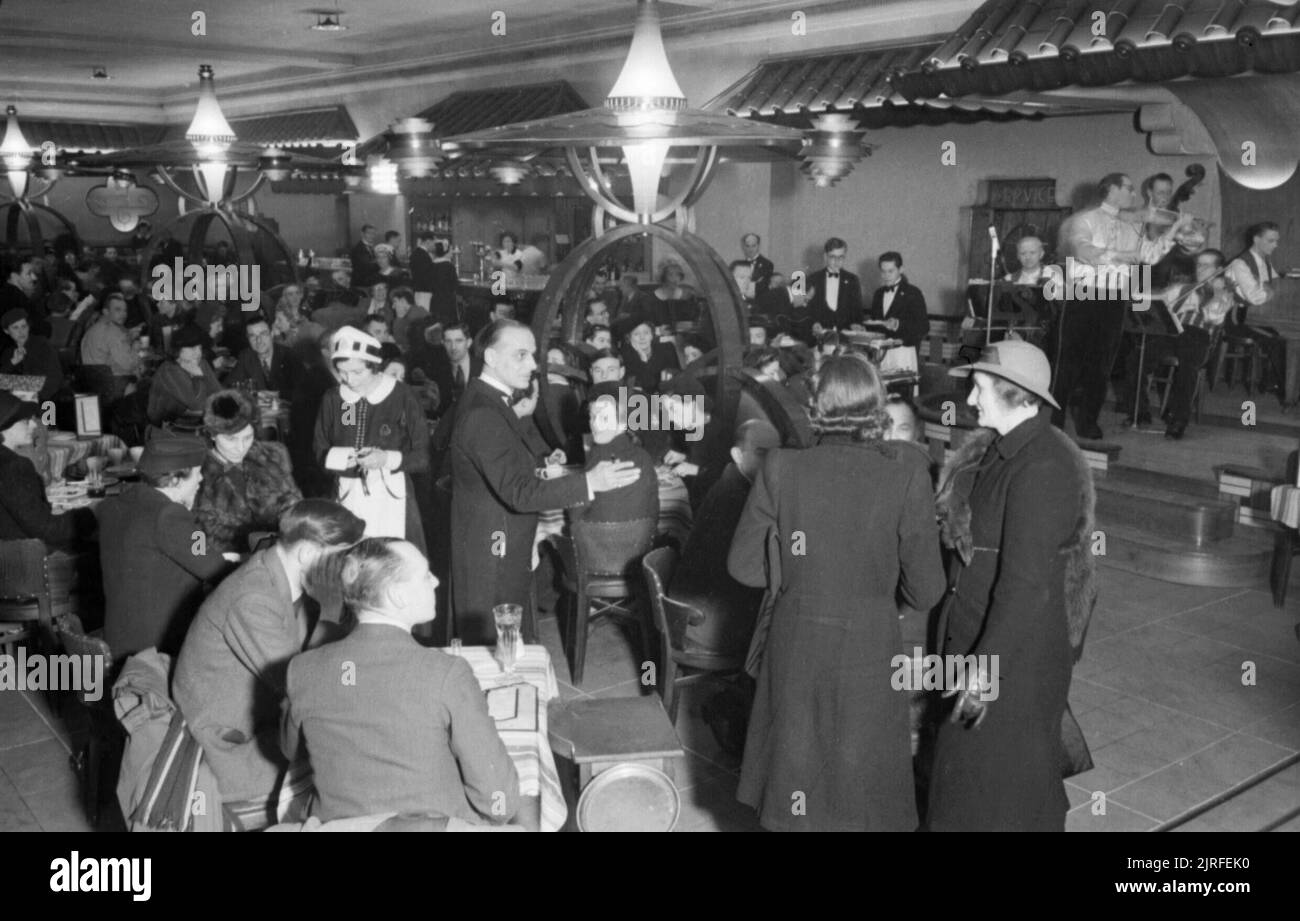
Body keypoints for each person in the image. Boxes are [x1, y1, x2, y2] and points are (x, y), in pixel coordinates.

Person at [727, 355, 945, 831]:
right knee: (860, 787)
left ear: (816, 405)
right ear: (878, 409)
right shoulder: (906, 472)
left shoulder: (782, 467)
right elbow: (927, 589)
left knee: (796, 785)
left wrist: (795, 566)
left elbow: (742, 568)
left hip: (796, 639)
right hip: (870, 644)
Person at [928, 340, 1093, 831]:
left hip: (1013, 657)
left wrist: (982, 670)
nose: (972, 401)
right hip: (987, 642)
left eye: (980, 390)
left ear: (1021, 396)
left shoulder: (1044, 467)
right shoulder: (1004, 451)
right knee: (989, 783)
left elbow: (1026, 586)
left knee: (998, 783)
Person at [282, 537, 521, 824]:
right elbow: (499, 802)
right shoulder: (447, 673)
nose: (435, 582)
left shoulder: (302, 669)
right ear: (398, 596)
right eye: (424, 576)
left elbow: (290, 750)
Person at [173, 499, 363, 829]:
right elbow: (301, 687)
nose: (349, 568)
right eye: (344, 556)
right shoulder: (254, 598)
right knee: (357, 768)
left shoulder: (278, 576)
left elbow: (308, 655)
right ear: (307, 553)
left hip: (252, 719)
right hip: (226, 745)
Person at [449, 320, 641, 644]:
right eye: (521, 355)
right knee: (492, 644)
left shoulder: (490, 400)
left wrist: (535, 456)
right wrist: (588, 482)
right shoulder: (485, 413)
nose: (533, 365)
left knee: (503, 639)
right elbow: (520, 493)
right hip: (493, 549)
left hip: (496, 540)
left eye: (533, 355)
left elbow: (501, 466)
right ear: (492, 358)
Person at [1055, 172, 1188, 439]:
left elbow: (1148, 257)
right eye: (1128, 188)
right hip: (1083, 294)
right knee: (1068, 361)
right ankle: (1054, 422)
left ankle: (1088, 422)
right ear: (1112, 189)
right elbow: (1084, 251)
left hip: (1115, 297)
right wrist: (1121, 256)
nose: (1134, 194)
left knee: (1102, 364)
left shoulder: (1132, 226)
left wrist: (1174, 229)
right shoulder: (1085, 220)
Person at [98, 435, 234, 661]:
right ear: (175, 479)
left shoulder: (114, 504)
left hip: (120, 643)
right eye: (197, 472)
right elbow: (216, 568)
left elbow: (197, 547)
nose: (201, 479)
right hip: (159, 652)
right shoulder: (168, 516)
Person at [671, 419, 780, 659]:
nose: (772, 463)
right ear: (737, 454)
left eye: (776, 454)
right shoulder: (739, 499)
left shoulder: (728, 481)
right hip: (705, 623)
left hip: (692, 610)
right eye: (762, 453)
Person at [314, 326, 429, 552]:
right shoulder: (337, 399)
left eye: (357, 372)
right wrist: (340, 458)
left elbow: (422, 457)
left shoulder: (402, 396)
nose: (349, 380)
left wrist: (386, 458)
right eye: (342, 372)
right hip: (348, 497)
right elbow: (321, 448)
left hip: (392, 499)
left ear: (374, 367)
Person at [192, 390, 303, 555]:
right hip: (225, 567)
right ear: (213, 435)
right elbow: (196, 543)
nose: (241, 447)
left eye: (248, 437)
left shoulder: (272, 457)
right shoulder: (195, 475)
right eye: (231, 439)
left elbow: (295, 507)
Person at [0, 392, 93, 546]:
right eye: (25, 421)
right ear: (3, 428)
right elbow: (48, 531)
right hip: (24, 559)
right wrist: (92, 513)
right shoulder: (14, 466)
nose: (34, 425)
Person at [1225, 221, 1289, 406]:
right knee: (1278, 339)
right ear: (1256, 239)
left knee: (1286, 336)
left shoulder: (1264, 262)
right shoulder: (1240, 263)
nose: (1275, 245)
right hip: (1239, 319)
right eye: (1271, 241)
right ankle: (1284, 390)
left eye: (1276, 241)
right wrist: (1268, 290)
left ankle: (1273, 382)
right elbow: (1256, 298)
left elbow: (1276, 287)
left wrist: (1271, 289)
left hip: (1259, 317)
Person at [147, 324, 223, 428]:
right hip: (167, 425)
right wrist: (198, 376)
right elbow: (198, 407)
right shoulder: (170, 370)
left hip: (191, 418)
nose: (198, 353)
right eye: (192, 348)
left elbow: (218, 392)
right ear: (178, 350)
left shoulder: (201, 362)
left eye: (199, 348)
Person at [867, 251, 929, 349]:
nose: (886, 275)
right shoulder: (878, 294)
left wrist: (897, 324)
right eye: (883, 271)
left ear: (901, 270)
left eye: (890, 271)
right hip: (880, 351)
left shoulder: (913, 293)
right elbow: (875, 324)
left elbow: (924, 327)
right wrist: (864, 328)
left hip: (904, 351)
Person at [0, 309, 63, 402]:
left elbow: (54, 378)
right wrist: (13, 362)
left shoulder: (41, 344)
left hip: (44, 391)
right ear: (6, 331)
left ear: (29, 327)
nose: (21, 331)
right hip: (21, 394)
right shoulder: (8, 352)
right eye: (15, 328)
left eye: (24, 326)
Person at [227, 317, 296, 398]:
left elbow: (304, 391)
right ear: (248, 339)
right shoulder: (246, 356)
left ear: (272, 334)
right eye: (252, 336)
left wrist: (276, 395)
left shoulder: (288, 355)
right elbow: (230, 386)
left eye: (263, 334)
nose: (258, 340)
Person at [807, 236, 864, 335]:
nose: (837, 261)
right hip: (819, 336)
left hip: (845, 336)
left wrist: (856, 324)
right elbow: (805, 309)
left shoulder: (852, 280)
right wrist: (812, 323)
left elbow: (857, 310)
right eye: (832, 256)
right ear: (825, 256)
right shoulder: (812, 279)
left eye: (840, 257)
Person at [80, 292, 143, 380]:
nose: (123, 314)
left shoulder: (90, 330)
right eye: (118, 310)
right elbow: (129, 364)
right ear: (106, 312)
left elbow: (108, 348)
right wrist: (135, 349)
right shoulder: (113, 332)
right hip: (113, 385)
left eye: (125, 310)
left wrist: (128, 337)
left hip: (90, 383)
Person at [620, 317, 679, 394]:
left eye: (646, 333)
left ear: (652, 335)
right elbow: (648, 385)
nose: (642, 338)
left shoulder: (667, 348)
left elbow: (677, 378)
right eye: (636, 334)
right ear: (629, 338)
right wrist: (643, 360)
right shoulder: (626, 356)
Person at [740, 233, 775, 298]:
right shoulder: (739, 265)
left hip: (760, 301)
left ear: (758, 246)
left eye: (753, 246)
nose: (750, 249)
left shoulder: (767, 264)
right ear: (744, 247)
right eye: (747, 246)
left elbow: (764, 286)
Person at [349, 224, 380, 289]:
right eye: (369, 233)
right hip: (362, 284)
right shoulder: (358, 248)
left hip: (369, 282)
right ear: (362, 234)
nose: (372, 236)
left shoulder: (371, 247)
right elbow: (368, 265)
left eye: (374, 233)